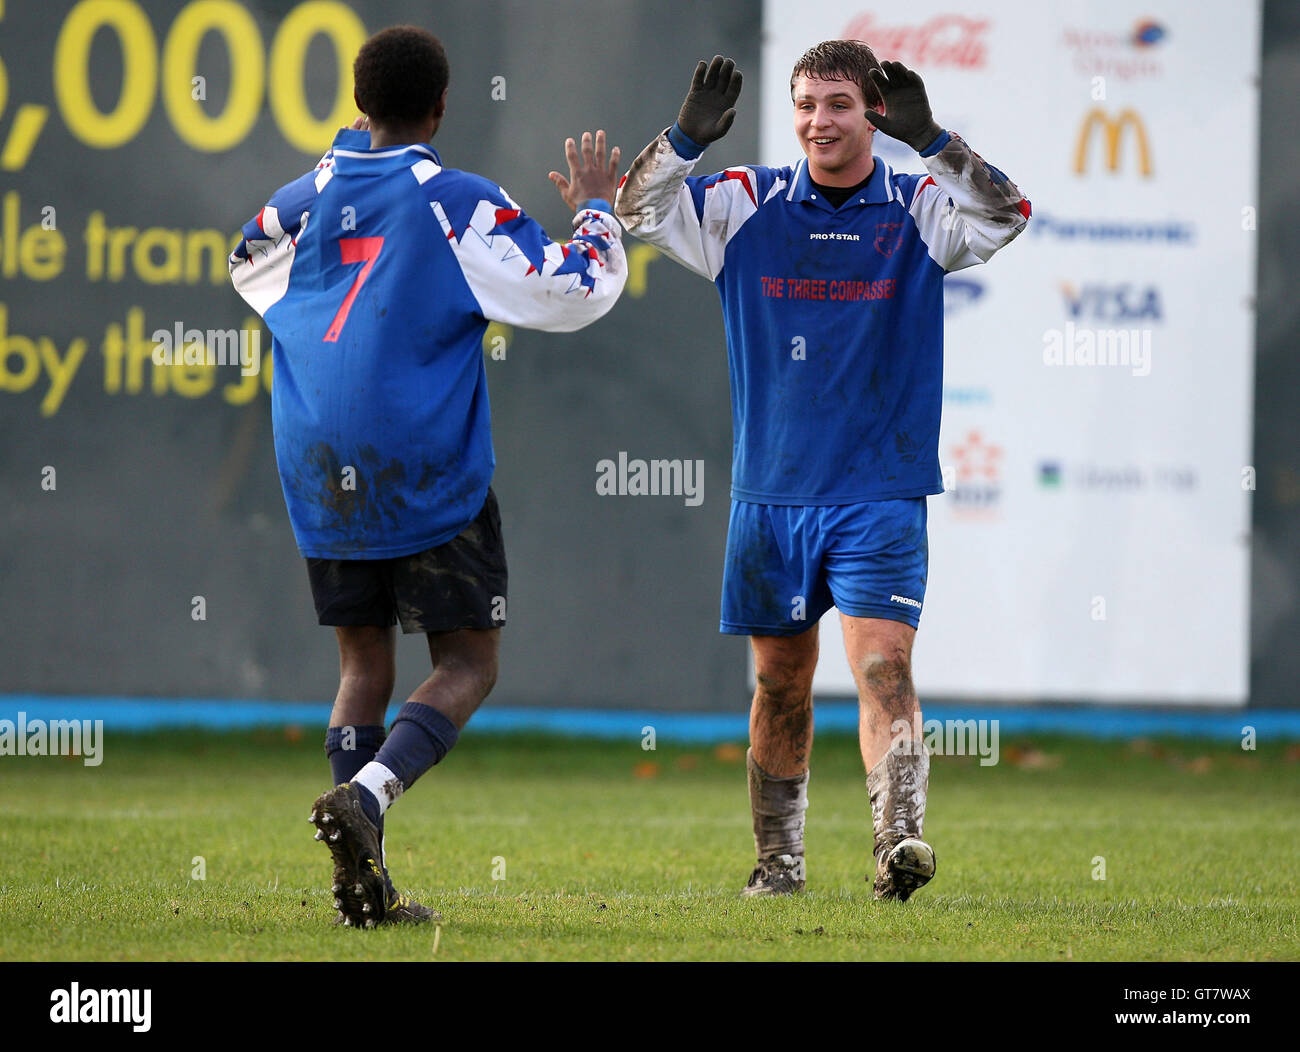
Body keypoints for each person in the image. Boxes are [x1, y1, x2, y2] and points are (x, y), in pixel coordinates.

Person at [229, 25, 625, 926]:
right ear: (442, 107)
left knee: (364, 658)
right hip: (420, 464)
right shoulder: (454, 200)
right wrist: (597, 210)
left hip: (319, 463)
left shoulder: (304, 198)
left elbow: (243, 257)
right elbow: (577, 287)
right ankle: (367, 799)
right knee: (469, 661)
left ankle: (359, 891)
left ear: (359, 105)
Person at [615, 43, 1029, 900]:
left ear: (870, 112)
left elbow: (1008, 214)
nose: (818, 122)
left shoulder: (917, 202)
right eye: (806, 104)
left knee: (884, 670)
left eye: (838, 104)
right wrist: (686, 138)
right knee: (780, 685)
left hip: (879, 489)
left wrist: (935, 140)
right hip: (771, 496)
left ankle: (898, 848)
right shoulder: (743, 202)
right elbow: (636, 214)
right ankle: (778, 869)